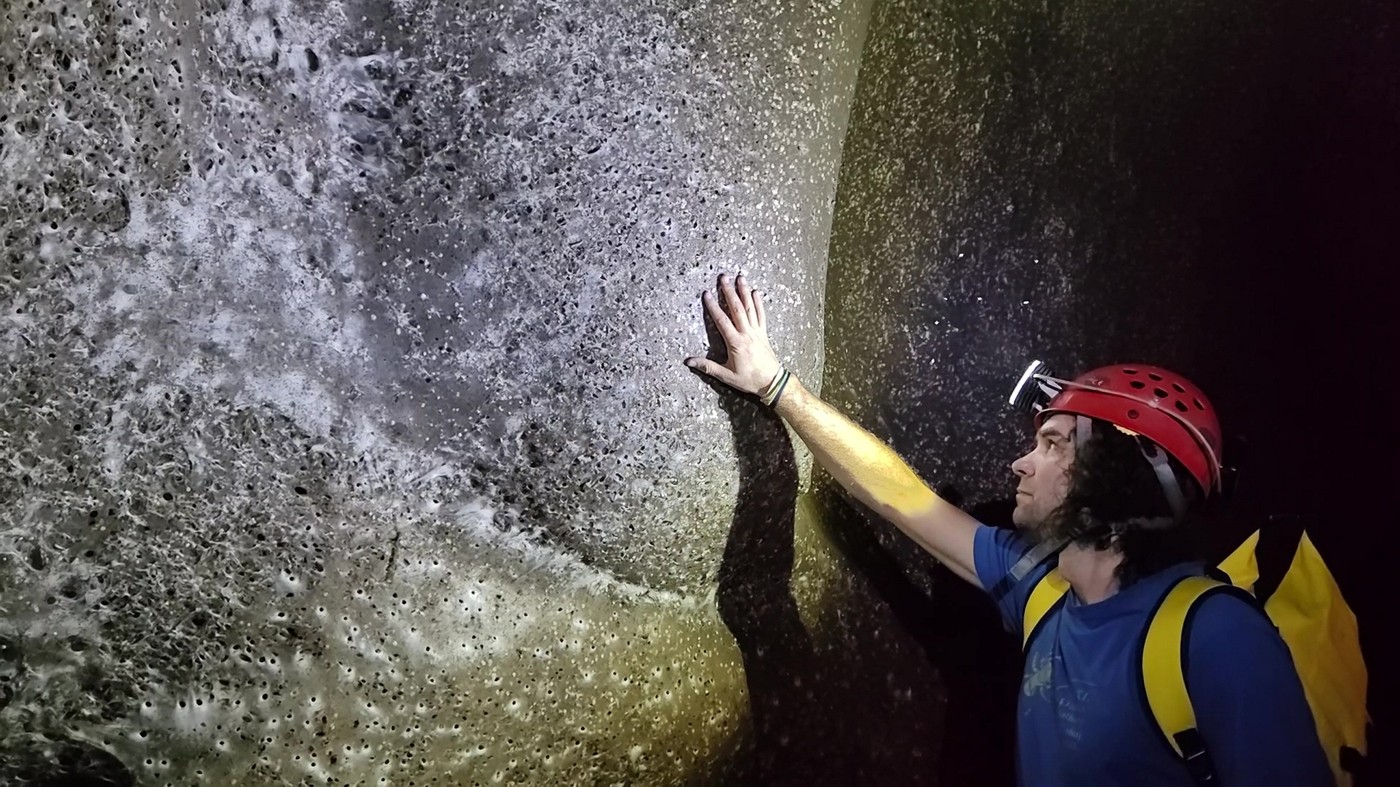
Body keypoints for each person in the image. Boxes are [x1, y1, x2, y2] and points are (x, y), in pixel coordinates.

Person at [683, 272, 1331, 786]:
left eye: (1051, 444)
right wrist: (776, 385)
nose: (1022, 461)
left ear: (1116, 475)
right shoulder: (1042, 586)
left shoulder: (1216, 637)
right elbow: (903, 496)